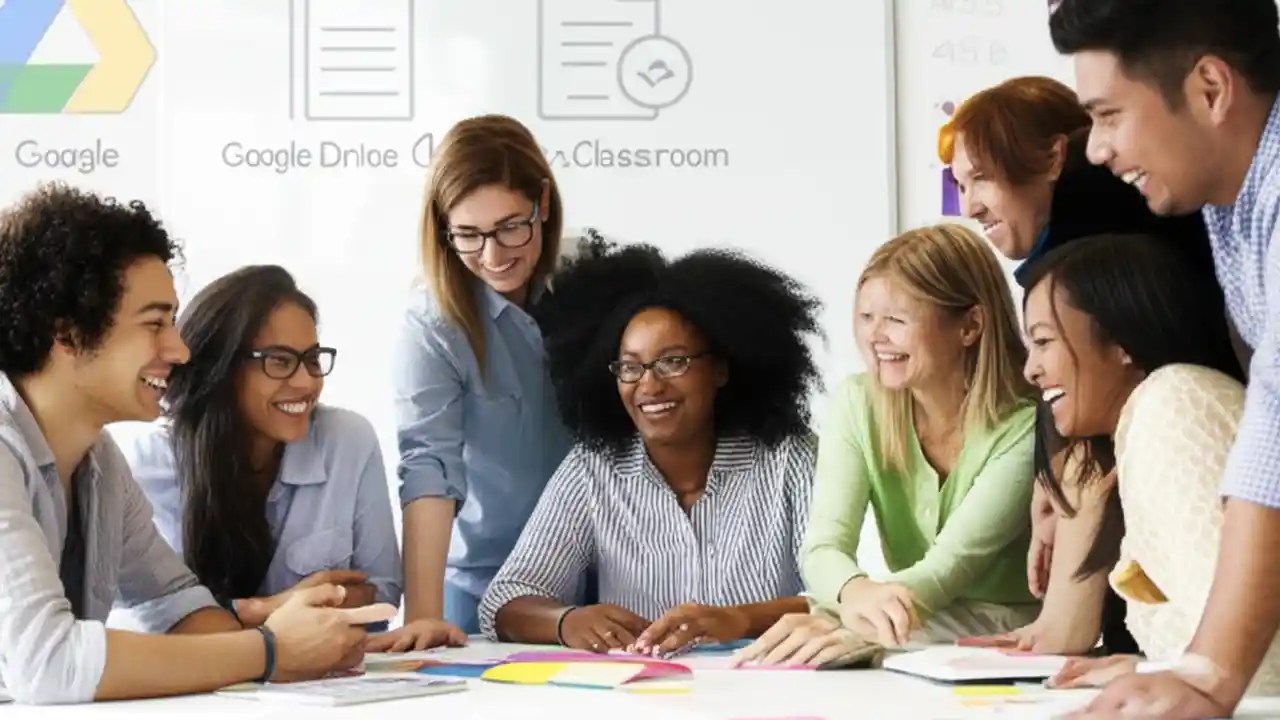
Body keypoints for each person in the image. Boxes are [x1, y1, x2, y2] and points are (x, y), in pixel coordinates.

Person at [0, 184, 365, 704]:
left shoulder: (99, 462)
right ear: (68, 334)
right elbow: (49, 662)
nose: (179, 349)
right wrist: (269, 650)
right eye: (154, 324)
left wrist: (303, 649)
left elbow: (174, 603)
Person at [941, 74, 1236, 656]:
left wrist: (1062, 623)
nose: (969, 205)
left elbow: (1087, 456)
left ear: (1054, 158)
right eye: (960, 185)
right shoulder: (1109, 234)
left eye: (982, 178)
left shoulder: (1095, 252)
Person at [1051, 0, 1280, 715]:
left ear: (1210, 89)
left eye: (1108, 115)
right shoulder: (1230, 201)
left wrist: (1209, 674)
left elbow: (1275, 436)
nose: (1096, 149)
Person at [478, 239, 820, 655]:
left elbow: (843, 599)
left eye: (673, 362)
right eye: (630, 366)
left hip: (767, 687)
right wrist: (566, 621)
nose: (650, 385)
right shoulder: (593, 470)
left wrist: (740, 619)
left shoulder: (789, 458)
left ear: (721, 368)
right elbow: (505, 599)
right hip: (643, 689)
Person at [735, 224, 1039, 667]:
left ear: (970, 326)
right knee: (809, 629)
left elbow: (949, 568)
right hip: (910, 616)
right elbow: (822, 548)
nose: (875, 337)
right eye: (865, 317)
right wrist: (853, 592)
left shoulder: (1026, 423)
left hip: (1008, 629)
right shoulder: (857, 401)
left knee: (822, 633)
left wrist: (853, 624)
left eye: (896, 319)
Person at [1015, 236, 1272, 696]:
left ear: (1121, 342)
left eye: (1044, 342)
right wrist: (1147, 668)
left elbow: (1261, 666)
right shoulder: (1148, 421)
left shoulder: (1173, 406)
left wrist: (1152, 674)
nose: (1029, 370)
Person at [109, 265, 411, 634]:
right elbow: (138, 618)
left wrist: (281, 609)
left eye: (312, 359)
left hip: (331, 667)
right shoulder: (150, 464)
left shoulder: (348, 440)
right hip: (202, 670)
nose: (306, 382)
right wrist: (265, 610)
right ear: (221, 369)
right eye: (279, 361)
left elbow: (382, 595)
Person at [371, 114, 574, 649]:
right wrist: (423, 617)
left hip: (595, 578)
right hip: (481, 585)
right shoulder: (432, 323)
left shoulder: (592, 280)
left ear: (543, 203)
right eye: (468, 234)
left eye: (510, 227)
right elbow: (429, 466)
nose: (493, 256)